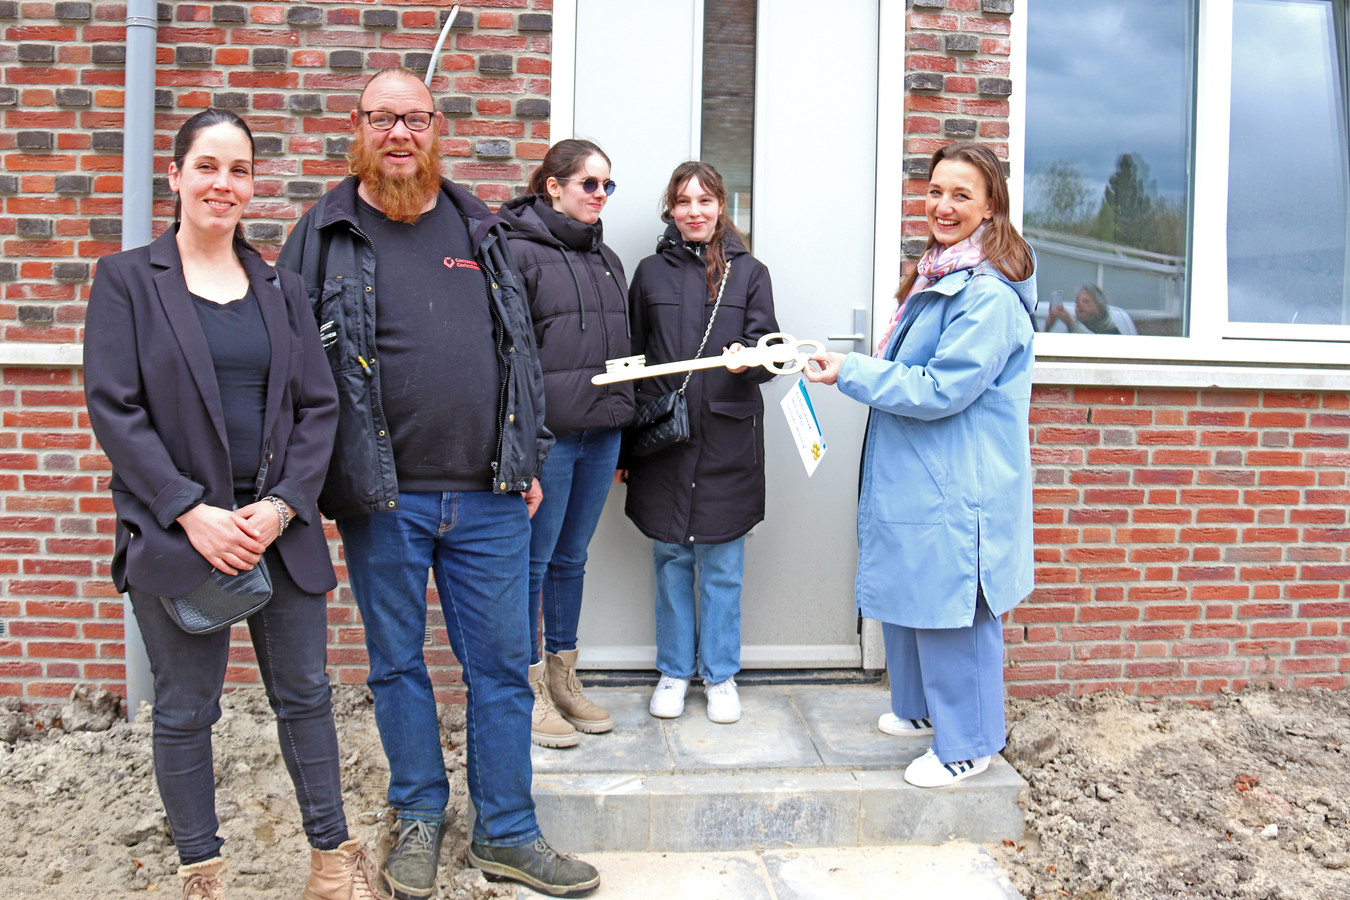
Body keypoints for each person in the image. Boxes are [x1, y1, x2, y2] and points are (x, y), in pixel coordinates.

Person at [276, 68, 599, 900]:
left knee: (502, 666)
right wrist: (301, 483)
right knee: (396, 666)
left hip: (491, 495)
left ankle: (507, 832)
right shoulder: (323, 231)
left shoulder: (479, 224)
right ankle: (419, 814)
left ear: (436, 127)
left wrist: (525, 456)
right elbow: (290, 366)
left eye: (414, 119)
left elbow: (520, 347)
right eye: (381, 118)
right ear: (358, 126)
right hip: (382, 497)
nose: (399, 134)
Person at [83, 109, 386, 899]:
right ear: (175, 176)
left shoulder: (281, 286)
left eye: (240, 170)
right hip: (181, 538)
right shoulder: (127, 282)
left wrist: (286, 506)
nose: (224, 184)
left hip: (275, 532)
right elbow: (116, 409)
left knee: (307, 699)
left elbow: (320, 408)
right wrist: (190, 509)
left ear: (254, 184)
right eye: (208, 167)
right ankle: (202, 874)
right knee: (185, 710)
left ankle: (330, 866)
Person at [804, 141, 1036, 788]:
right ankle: (920, 711)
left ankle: (968, 744)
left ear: (991, 207)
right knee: (911, 596)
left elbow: (941, 389)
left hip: (960, 483)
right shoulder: (939, 273)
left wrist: (850, 371)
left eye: (962, 194)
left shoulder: (986, 298)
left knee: (953, 609)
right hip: (926, 471)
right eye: (936, 191)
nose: (943, 205)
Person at [623, 161, 779, 726]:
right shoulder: (647, 274)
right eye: (683, 201)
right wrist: (623, 449)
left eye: (705, 201)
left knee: (721, 563)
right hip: (665, 439)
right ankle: (672, 671)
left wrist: (753, 357)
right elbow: (632, 362)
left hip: (726, 439)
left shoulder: (750, 273)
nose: (694, 211)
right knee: (669, 557)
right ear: (671, 209)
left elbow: (771, 351)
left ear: (721, 207)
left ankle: (720, 675)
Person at [498, 140, 634, 749]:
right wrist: (520, 448)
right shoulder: (515, 250)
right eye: (588, 184)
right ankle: (526, 689)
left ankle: (564, 680)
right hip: (550, 441)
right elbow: (508, 357)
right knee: (532, 562)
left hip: (600, 434)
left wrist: (624, 431)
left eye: (607, 185)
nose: (600, 195)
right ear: (552, 186)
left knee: (570, 560)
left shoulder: (607, 257)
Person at [1044, 283, 1137, 334]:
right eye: (1077, 303)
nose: (1079, 306)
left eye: (1086, 302)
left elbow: (1095, 346)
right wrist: (1049, 326)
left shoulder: (1112, 332)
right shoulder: (1071, 331)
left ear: (1099, 307)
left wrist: (1071, 323)